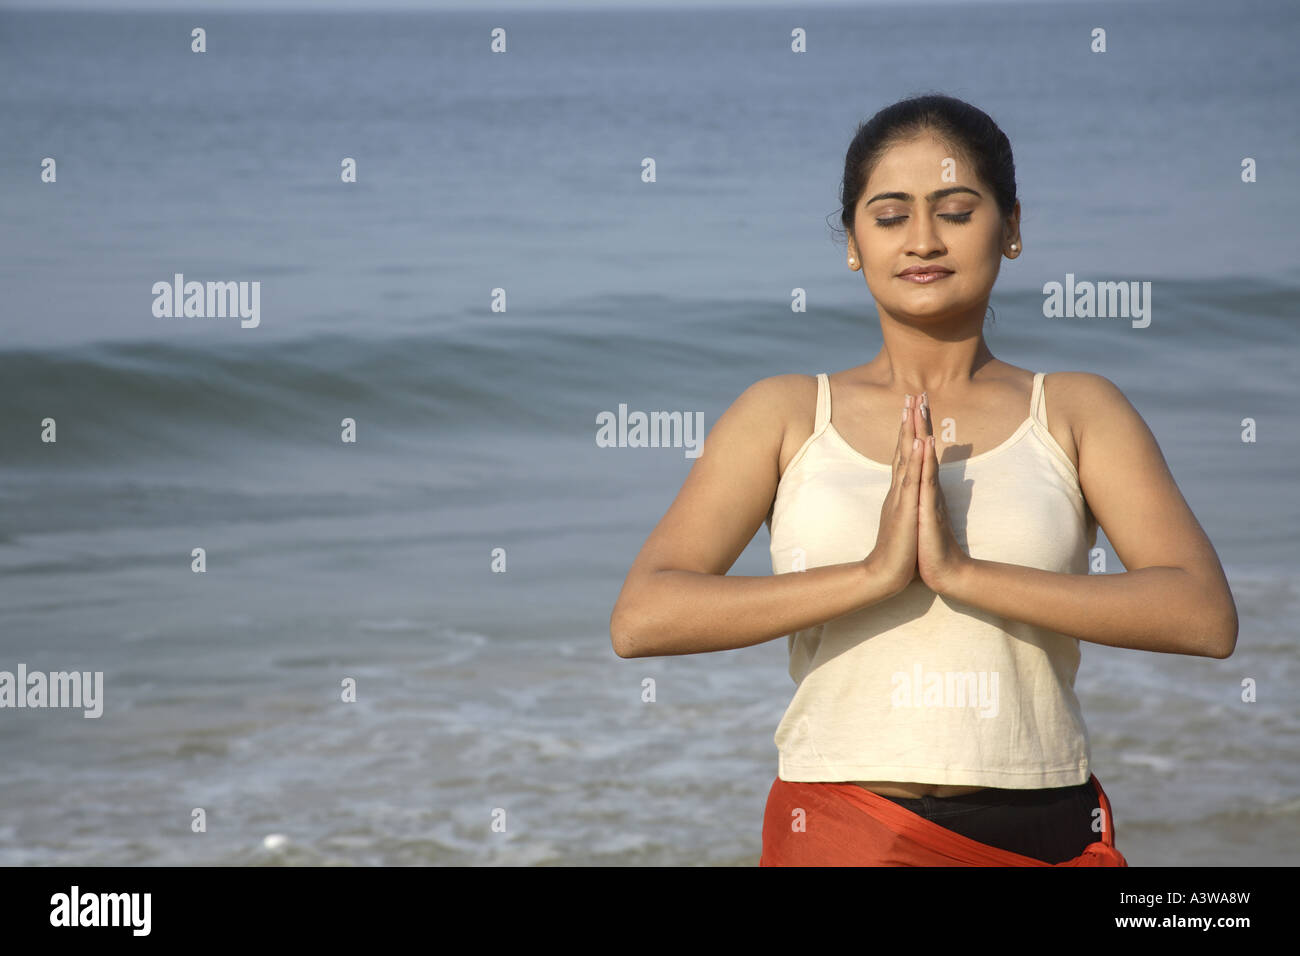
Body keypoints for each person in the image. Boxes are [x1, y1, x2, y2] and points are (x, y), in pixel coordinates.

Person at [608, 93, 1237, 866]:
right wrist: (874, 574)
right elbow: (644, 616)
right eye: (890, 215)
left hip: (1043, 829)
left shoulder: (1076, 410)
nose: (924, 241)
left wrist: (963, 574)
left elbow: (1202, 616)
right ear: (852, 242)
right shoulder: (785, 413)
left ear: (1010, 228)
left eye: (956, 210)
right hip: (844, 828)